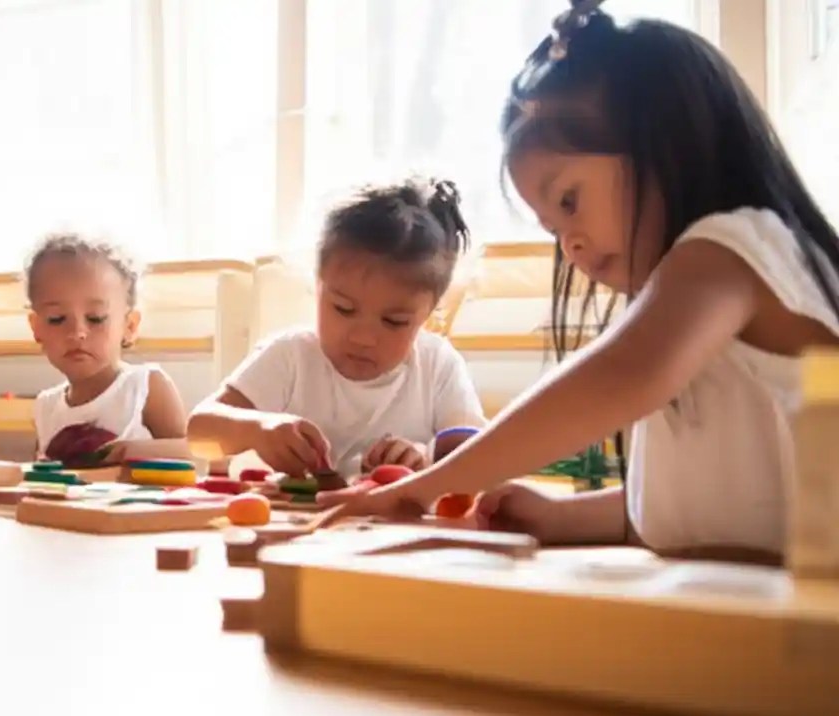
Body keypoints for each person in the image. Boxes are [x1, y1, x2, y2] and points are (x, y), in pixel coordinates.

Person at [320, 2, 839, 564]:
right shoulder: (704, 298)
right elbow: (697, 508)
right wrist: (561, 514)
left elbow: (622, 374)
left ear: (666, 142)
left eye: (570, 201)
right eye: (553, 228)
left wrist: (423, 488)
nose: (570, 243)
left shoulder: (732, 249)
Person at [188, 177, 485, 478]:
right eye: (343, 309)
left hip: (395, 523)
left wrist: (427, 457)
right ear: (317, 287)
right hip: (295, 521)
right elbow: (199, 432)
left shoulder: (438, 365)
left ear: (428, 315)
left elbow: (478, 453)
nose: (363, 338)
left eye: (394, 322)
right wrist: (256, 430)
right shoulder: (291, 356)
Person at [26, 232, 187, 460]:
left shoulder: (144, 386)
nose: (77, 333)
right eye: (57, 318)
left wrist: (133, 451)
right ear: (36, 328)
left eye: (96, 318)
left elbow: (195, 455)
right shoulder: (46, 406)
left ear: (129, 325)